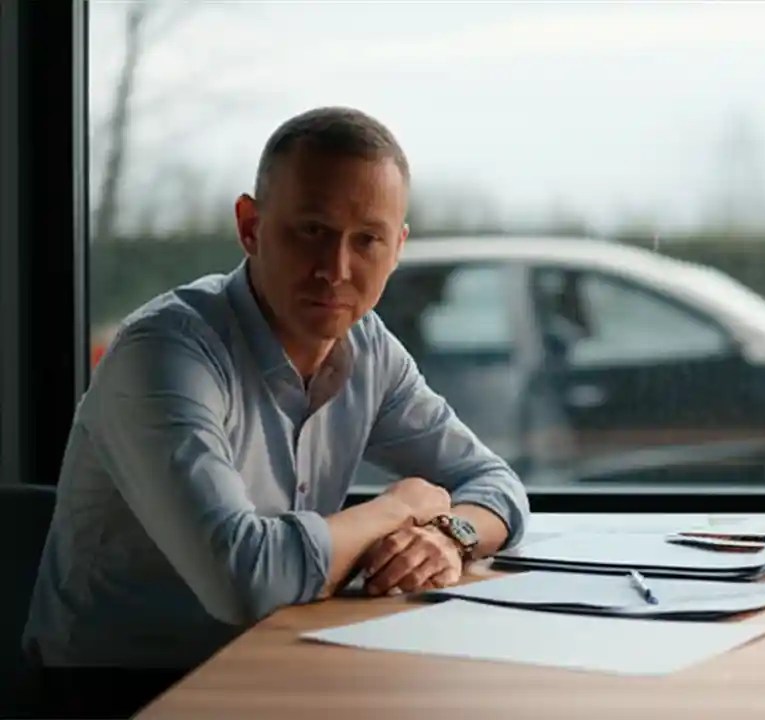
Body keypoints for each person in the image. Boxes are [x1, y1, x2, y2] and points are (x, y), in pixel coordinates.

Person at [21, 107, 529, 716]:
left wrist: (450, 533)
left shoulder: (370, 351)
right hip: (121, 690)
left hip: (278, 662)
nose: (336, 270)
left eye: (366, 239)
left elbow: (498, 486)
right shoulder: (165, 351)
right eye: (311, 230)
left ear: (397, 248)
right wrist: (400, 507)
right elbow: (247, 579)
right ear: (250, 226)